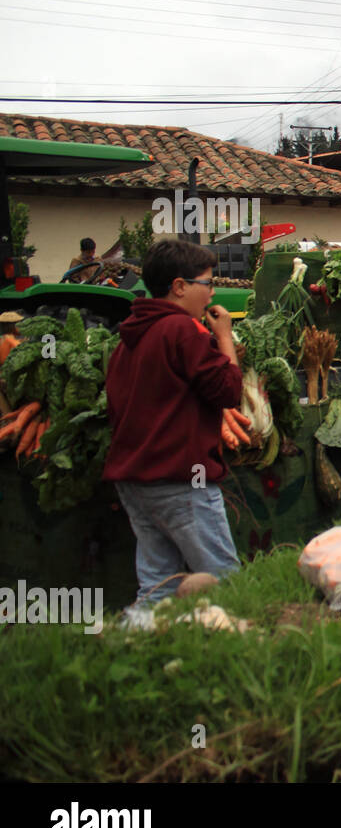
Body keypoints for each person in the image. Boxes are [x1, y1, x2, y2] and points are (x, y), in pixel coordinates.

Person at [103, 239, 244, 604]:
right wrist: (225, 338)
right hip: (181, 480)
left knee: (157, 586)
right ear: (180, 287)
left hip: (135, 480)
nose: (212, 293)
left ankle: (142, 648)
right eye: (208, 283)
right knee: (226, 581)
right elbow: (228, 390)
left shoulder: (130, 335)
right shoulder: (181, 330)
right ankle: (238, 649)